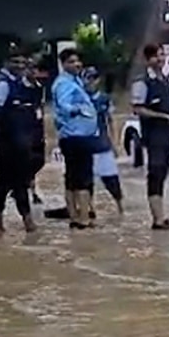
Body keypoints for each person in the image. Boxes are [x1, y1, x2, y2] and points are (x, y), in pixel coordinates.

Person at [0, 49, 40, 233]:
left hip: (22, 142)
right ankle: (9, 222)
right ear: (6, 63)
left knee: (15, 180)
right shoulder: (3, 85)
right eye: (15, 62)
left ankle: (17, 221)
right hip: (8, 143)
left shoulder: (21, 84)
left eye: (22, 63)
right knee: (10, 181)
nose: (20, 66)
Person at [51, 48, 100, 230]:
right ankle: (83, 218)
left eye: (77, 61)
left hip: (76, 135)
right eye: (71, 61)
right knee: (83, 178)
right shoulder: (64, 84)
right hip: (76, 135)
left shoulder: (75, 81)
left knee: (72, 177)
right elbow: (64, 106)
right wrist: (80, 110)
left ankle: (75, 217)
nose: (76, 64)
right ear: (63, 64)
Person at [131, 44, 169, 230]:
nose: (161, 59)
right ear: (147, 59)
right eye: (157, 56)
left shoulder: (164, 80)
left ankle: (161, 215)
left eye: (162, 55)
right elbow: (137, 108)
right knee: (156, 173)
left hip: (167, 132)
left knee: (163, 174)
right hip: (154, 134)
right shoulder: (142, 82)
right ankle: (157, 220)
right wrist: (161, 116)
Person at [84, 67, 124, 215]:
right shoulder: (80, 98)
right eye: (88, 78)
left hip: (103, 145)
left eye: (93, 78)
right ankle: (90, 208)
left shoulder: (104, 99)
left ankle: (120, 208)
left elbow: (111, 121)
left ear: (98, 80)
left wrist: (115, 143)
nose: (91, 82)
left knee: (111, 179)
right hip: (86, 145)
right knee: (87, 180)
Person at [24, 58, 47, 206]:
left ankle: (25, 183)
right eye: (30, 69)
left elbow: (42, 108)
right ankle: (30, 191)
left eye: (35, 69)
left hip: (37, 128)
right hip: (23, 129)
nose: (33, 72)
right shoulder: (20, 87)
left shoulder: (39, 88)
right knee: (27, 160)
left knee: (39, 160)